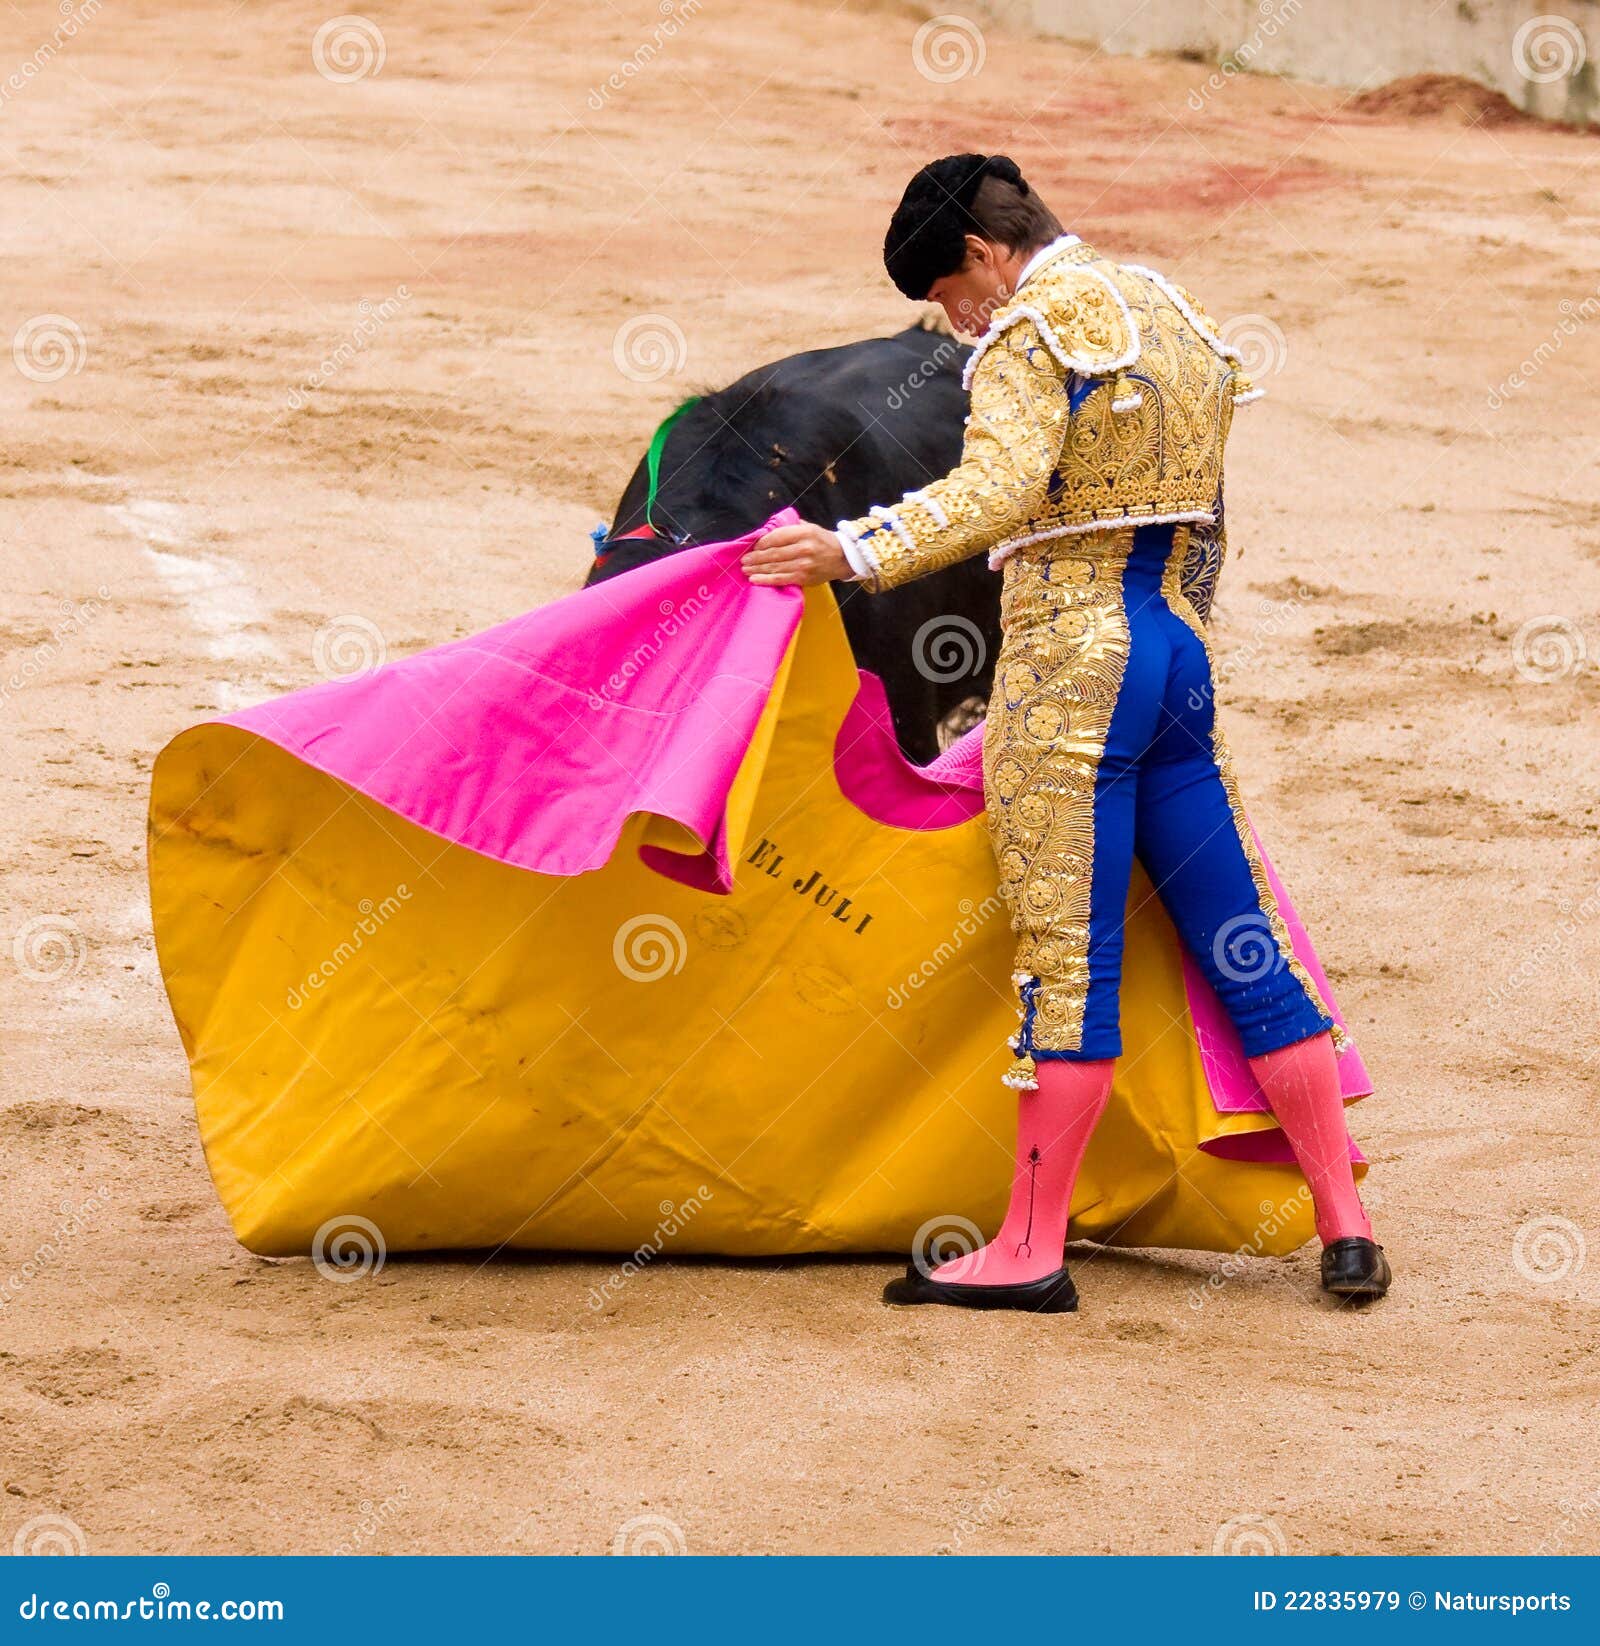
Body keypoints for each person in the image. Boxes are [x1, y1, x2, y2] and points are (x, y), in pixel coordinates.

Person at [741, 153, 1388, 1313]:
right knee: (1240, 935)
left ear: (981, 254)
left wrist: (854, 547)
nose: (956, 319)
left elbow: (994, 491)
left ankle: (1029, 1245)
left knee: (1066, 960)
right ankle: (1344, 1222)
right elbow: (1205, 510)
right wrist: (1179, 629)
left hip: (1072, 674)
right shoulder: (1168, 309)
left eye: (949, 293)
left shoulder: (1030, 333)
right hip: (1175, 652)